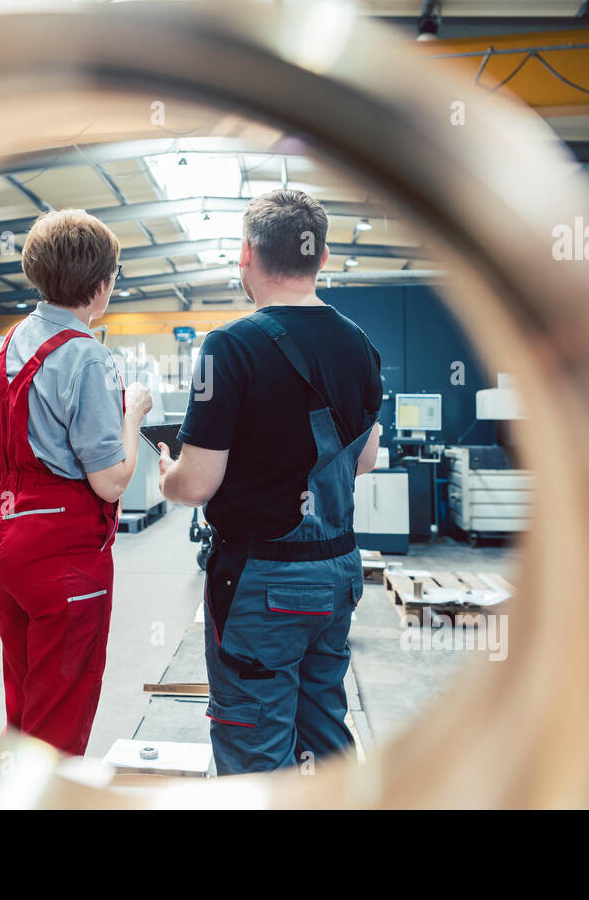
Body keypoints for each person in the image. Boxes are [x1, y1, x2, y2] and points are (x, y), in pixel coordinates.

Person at [157, 188, 383, 775]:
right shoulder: (360, 345)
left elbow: (199, 484)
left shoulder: (228, 347)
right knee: (325, 730)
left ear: (246, 255)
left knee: (256, 739)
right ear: (323, 257)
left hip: (263, 582)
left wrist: (169, 478)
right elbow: (364, 461)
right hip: (336, 572)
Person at [0, 208, 151, 756]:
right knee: (59, 713)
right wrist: (134, 417)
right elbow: (110, 482)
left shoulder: (8, 345)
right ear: (100, 287)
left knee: (24, 698)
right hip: (59, 548)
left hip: (3, 533)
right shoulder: (89, 359)